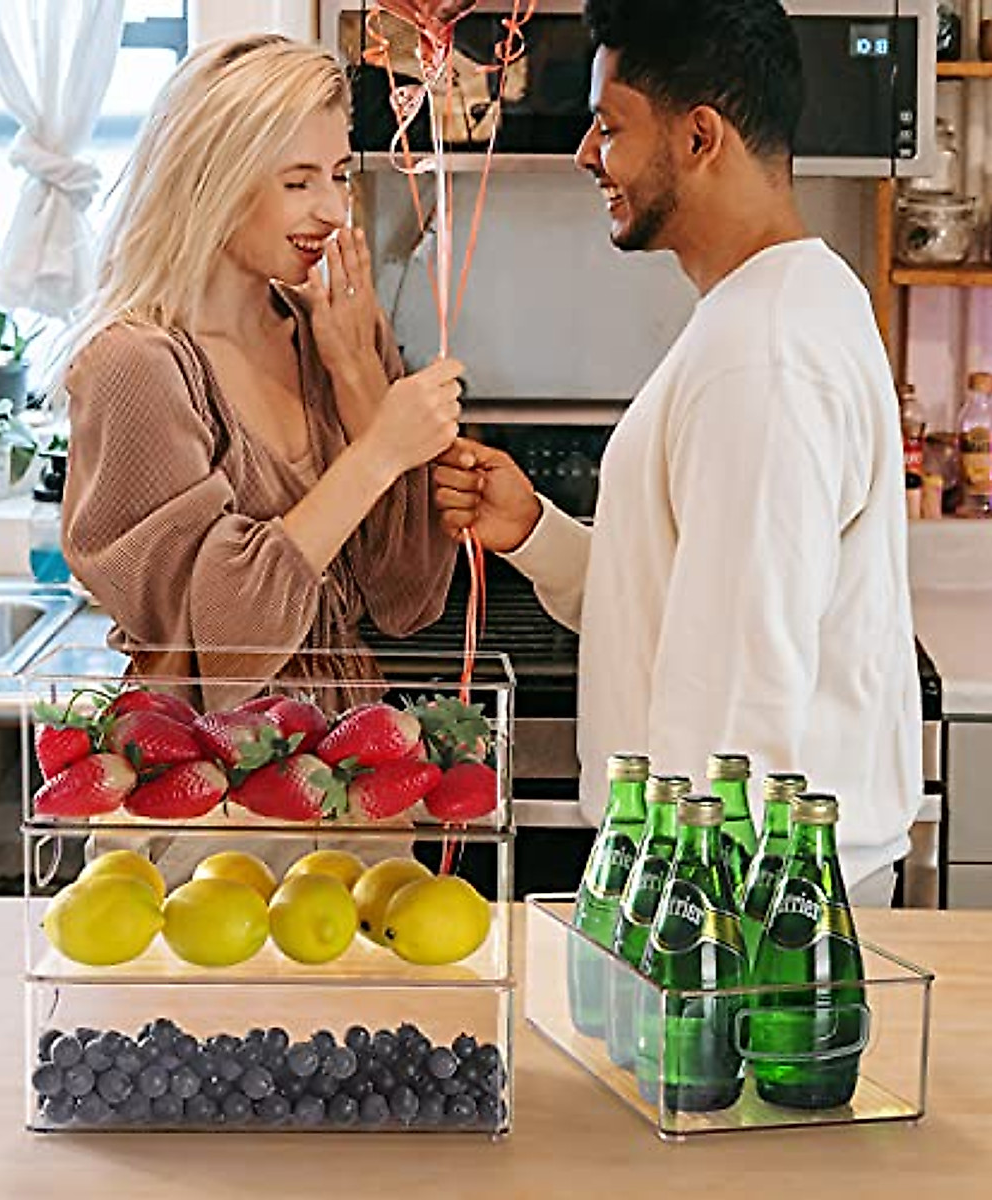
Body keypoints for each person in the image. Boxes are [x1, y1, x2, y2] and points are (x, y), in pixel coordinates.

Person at [433, 0, 921, 906]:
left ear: (700, 137)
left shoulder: (764, 355)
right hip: (741, 883)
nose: (589, 155)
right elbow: (679, 600)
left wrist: (681, 931)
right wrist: (535, 529)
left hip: (744, 910)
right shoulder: (773, 310)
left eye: (611, 127)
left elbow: (743, 685)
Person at [62, 34, 464, 704]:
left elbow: (408, 601)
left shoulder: (330, 332)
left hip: (350, 761)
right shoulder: (138, 366)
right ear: (211, 181)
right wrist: (377, 454)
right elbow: (224, 649)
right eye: (298, 181)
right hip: (211, 776)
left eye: (338, 175)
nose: (334, 211)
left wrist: (356, 372)